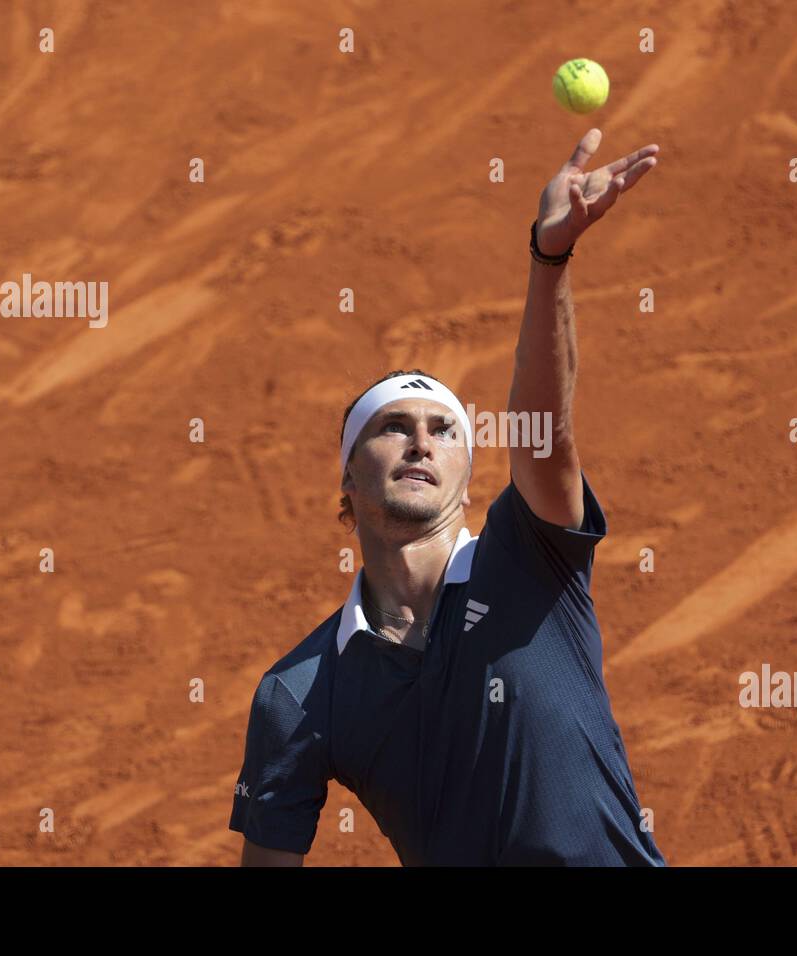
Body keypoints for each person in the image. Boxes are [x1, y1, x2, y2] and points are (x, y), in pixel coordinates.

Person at [230, 128, 662, 865]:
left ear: (467, 478)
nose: (422, 442)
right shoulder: (300, 693)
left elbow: (544, 433)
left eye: (444, 431)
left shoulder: (530, 563)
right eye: (393, 428)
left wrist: (549, 261)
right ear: (348, 479)